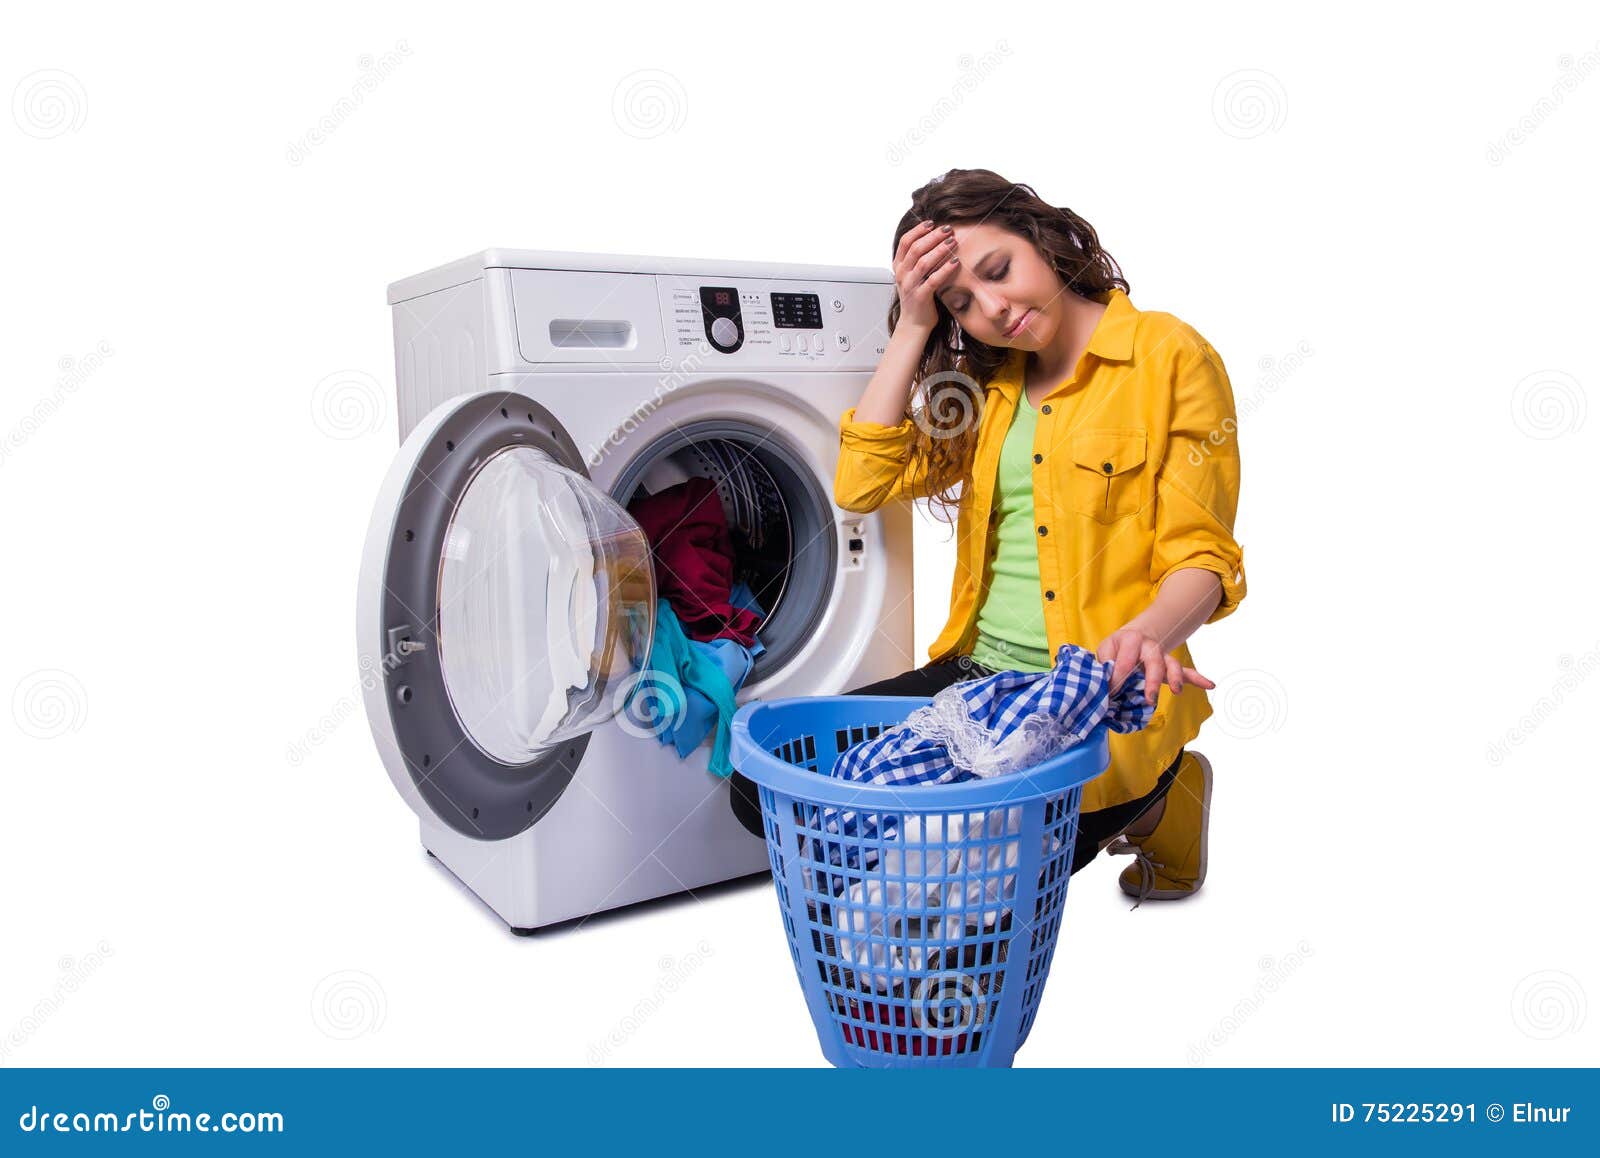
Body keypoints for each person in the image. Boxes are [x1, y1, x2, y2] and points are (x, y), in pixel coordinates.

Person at [729, 168, 1247, 903]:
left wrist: (1147, 634)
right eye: (961, 303)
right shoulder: (986, 386)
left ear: (1045, 238)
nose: (994, 309)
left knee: (970, 902)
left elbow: (1203, 554)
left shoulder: (1169, 357)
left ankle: (1164, 795)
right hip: (976, 685)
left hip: (1089, 699)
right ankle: (1142, 802)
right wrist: (914, 322)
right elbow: (861, 484)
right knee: (762, 795)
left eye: (999, 271)